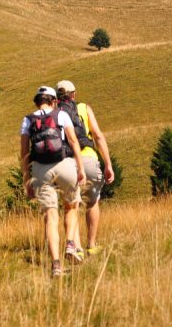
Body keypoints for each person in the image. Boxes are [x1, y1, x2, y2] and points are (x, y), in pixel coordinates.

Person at [20, 86, 86, 277]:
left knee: (50, 216)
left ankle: (56, 265)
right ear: (54, 100)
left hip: (40, 169)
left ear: (36, 101)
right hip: (64, 163)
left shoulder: (27, 120)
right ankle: (71, 245)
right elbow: (73, 141)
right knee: (72, 207)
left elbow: (24, 152)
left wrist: (27, 179)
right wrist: (80, 168)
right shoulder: (61, 115)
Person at [56, 80, 114, 256]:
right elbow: (97, 135)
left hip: (66, 161)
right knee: (92, 201)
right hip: (88, 158)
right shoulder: (83, 108)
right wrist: (108, 164)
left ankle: (77, 249)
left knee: (71, 205)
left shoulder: (54, 112)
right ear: (73, 94)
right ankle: (92, 244)